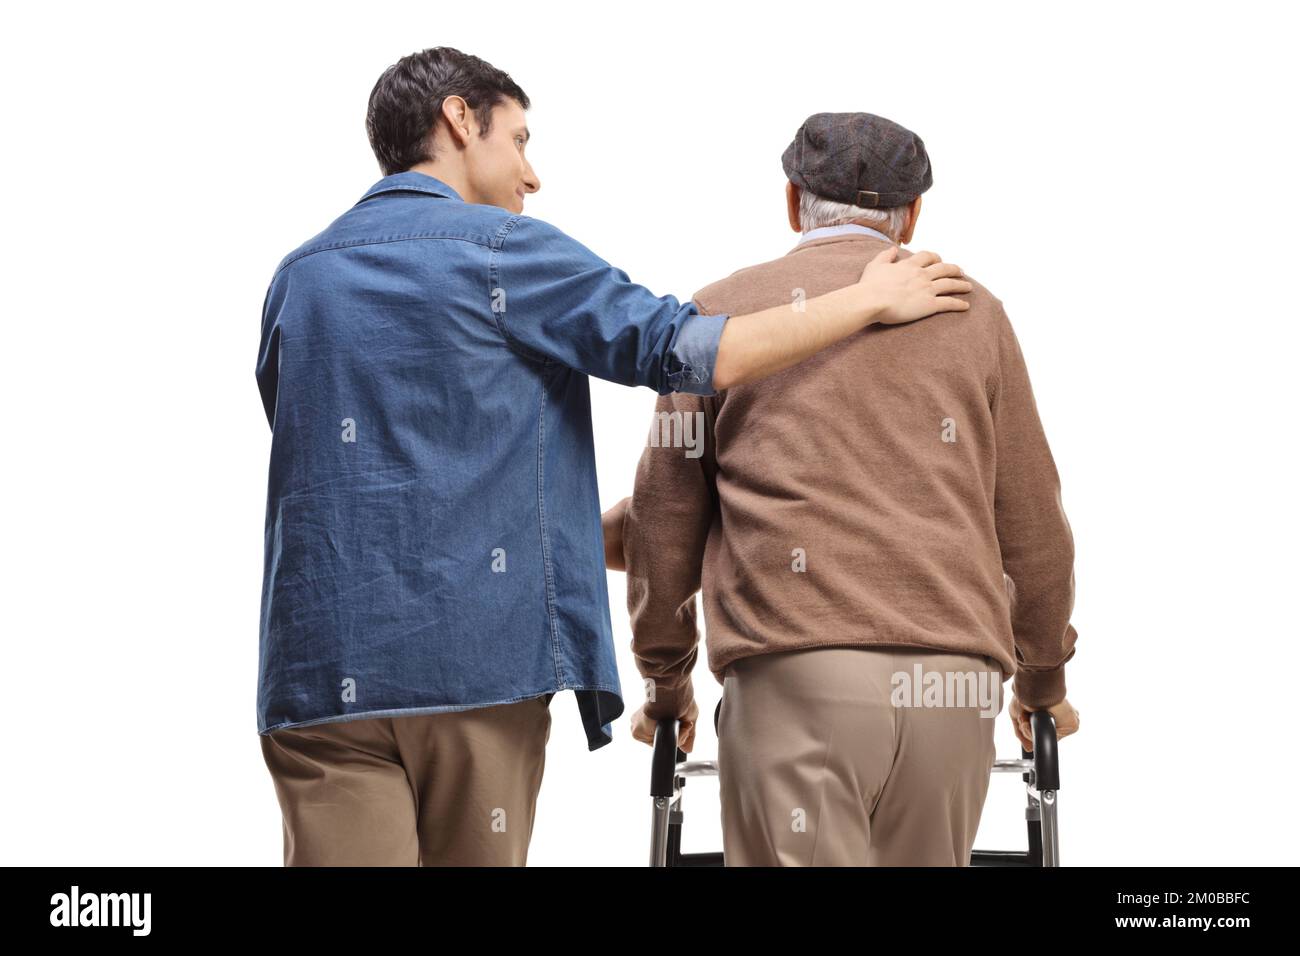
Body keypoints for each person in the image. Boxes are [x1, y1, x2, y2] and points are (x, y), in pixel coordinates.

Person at [255, 52, 972, 867]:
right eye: (520, 140)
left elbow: (371, 478)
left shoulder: (299, 278)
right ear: (460, 120)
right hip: (476, 671)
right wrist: (866, 299)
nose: (532, 175)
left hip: (320, 676)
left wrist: (638, 539)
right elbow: (688, 349)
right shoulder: (506, 254)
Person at [602, 112, 1079, 866]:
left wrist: (667, 685)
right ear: (912, 215)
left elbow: (664, 523)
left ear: (793, 201)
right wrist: (1042, 683)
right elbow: (1034, 528)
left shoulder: (717, 314)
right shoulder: (976, 315)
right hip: (953, 684)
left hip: (796, 671)